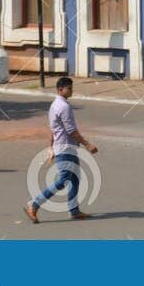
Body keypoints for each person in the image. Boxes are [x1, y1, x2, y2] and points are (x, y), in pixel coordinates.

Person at [26, 76, 98, 222]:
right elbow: (71, 130)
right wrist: (87, 144)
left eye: (71, 88)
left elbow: (53, 129)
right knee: (64, 179)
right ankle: (34, 203)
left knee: (75, 179)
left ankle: (74, 210)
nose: (71, 91)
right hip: (65, 148)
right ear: (60, 90)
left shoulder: (55, 105)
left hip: (64, 147)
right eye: (69, 88)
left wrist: (51, 146)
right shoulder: (64, 106)